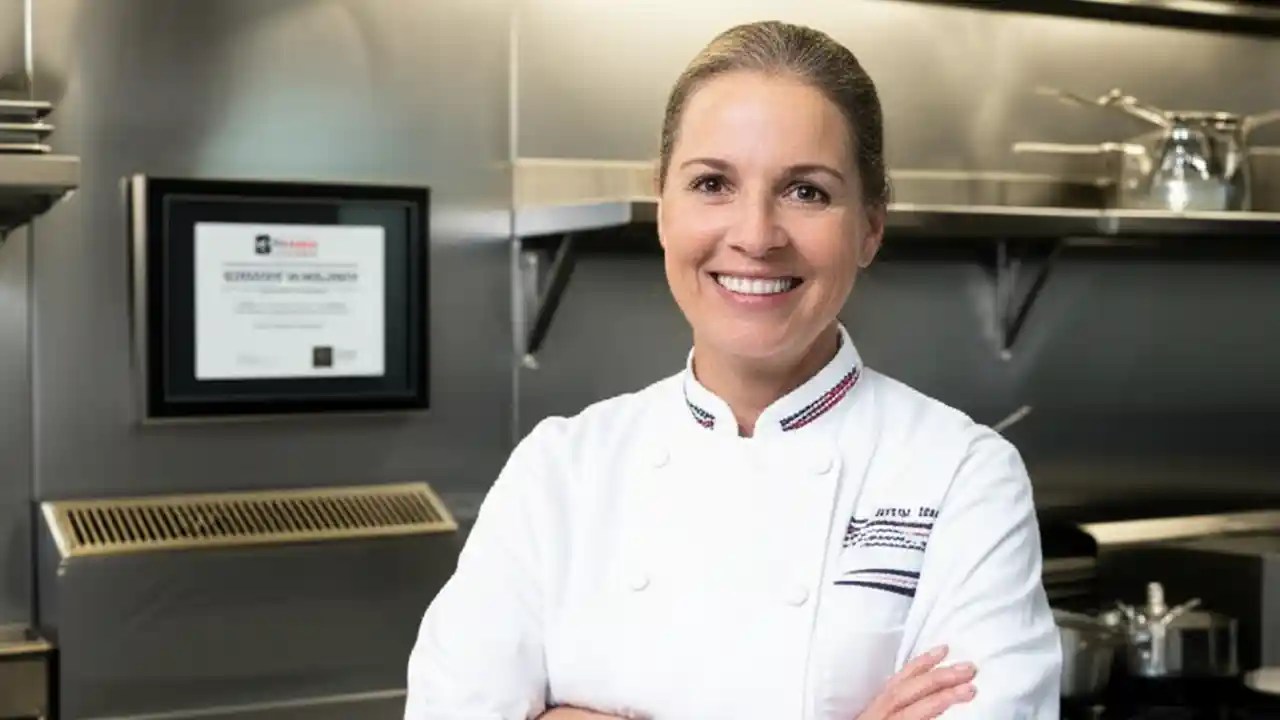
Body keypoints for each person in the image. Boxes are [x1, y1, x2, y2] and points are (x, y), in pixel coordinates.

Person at [405, 20, 1061, 720]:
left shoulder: (963, 475)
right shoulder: (559, 472)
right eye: (713, 183)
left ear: (870, 225)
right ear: (664, 209)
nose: (754, 235)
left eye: (806, 191)